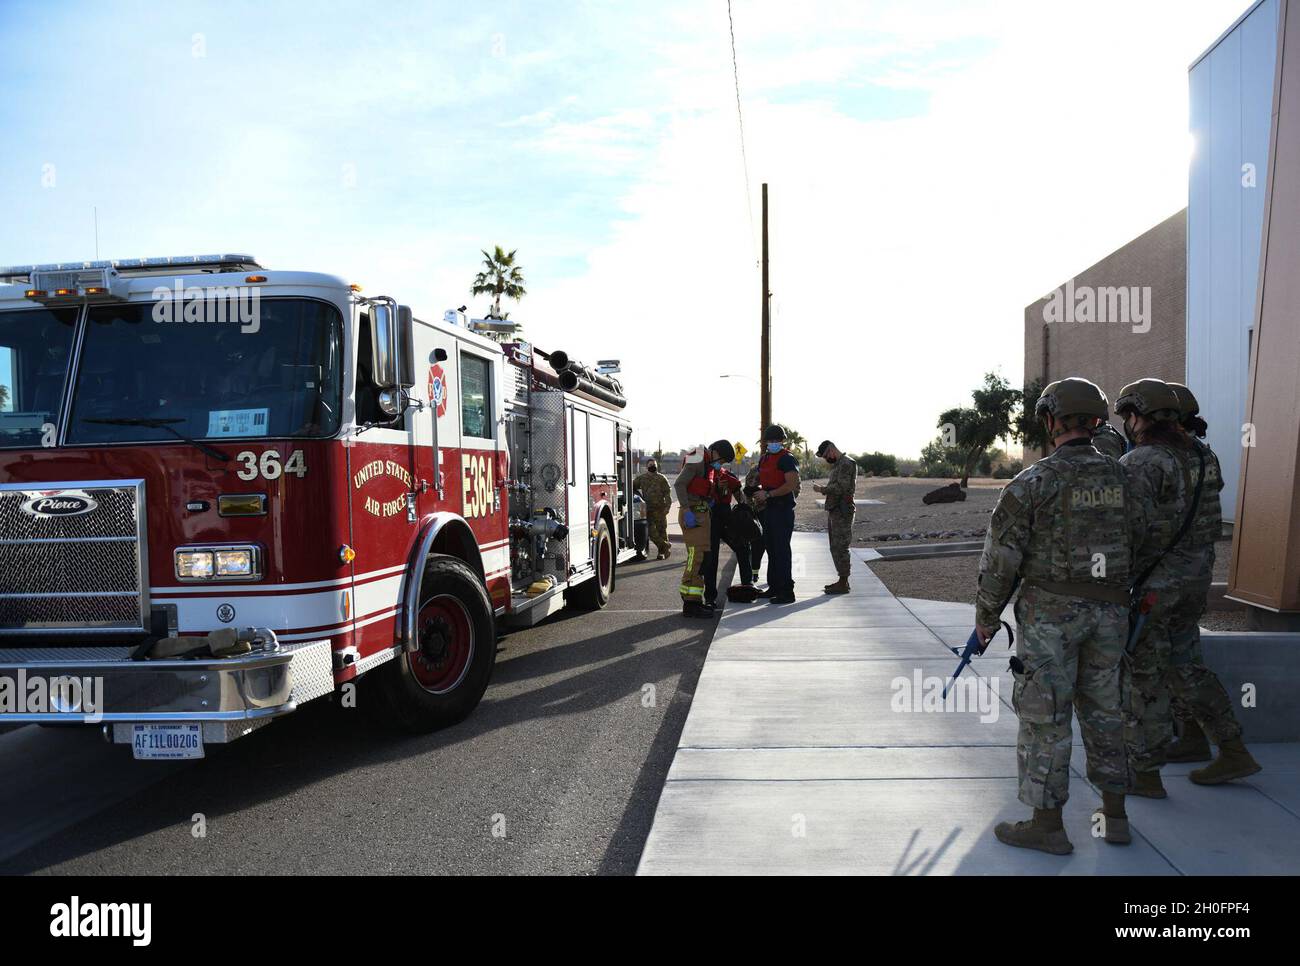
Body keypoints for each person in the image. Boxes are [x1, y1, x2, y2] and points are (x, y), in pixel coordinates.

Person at [977, 378, 1144, 854]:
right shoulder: (1125, 478)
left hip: (1050, 618)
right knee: (1107, 711)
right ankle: (1115, 816)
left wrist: (987, 617)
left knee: (1045, 717)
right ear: (1096, 421)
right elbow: (1145, 541)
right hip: (1111, 614)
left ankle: (1047, 825)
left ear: (1050, 421)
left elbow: (1000, 560)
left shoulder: (1032, 482)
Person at [1148, 382, 1262, 785]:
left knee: (1162, 666)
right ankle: (1194, 738)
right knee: (1183, 657)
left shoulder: (1147, 460)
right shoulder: (1204, 454)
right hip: (1196, 573)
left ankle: (1230, 750)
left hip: (1159, 579)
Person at [674, 439, 736, 619]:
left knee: (703, 558)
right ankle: (691, 604)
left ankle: (693, 598)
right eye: (721, 460)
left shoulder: (708, 465)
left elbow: (701, 488)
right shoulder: (697, 460)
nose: (720, 464)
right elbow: (679, 484)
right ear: (715, 452)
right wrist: (686, 509)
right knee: (697, 557)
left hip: (701, 513)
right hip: (692, 514)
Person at [752, 425, 800, 605]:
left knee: (781, 551)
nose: (773, 444)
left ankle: (787, 591)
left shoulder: (787, 459)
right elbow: (763, 480)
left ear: (782, 441)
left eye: (776, 441)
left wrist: (769, 494)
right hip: (768, 510)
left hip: (782, 510)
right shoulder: (764, 459)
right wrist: (758, 492)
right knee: (771, 549)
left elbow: (791, 484)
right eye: (770, 441)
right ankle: (774, 587)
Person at [701, 450, 756, 606]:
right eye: (722, 459)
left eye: (724, 461)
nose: (721, 463)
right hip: (711, 518)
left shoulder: (727, 476)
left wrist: (745, 511)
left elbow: (740, 495)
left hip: (725, 517)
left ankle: (747, 585)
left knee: (743, 547)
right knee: (711, 559)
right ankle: (710, 598)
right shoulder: (703, 475)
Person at [813, 440, 857, 594]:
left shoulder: (846, 463)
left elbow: (841, 487)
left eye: (826, 455)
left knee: (841, 546)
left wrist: (822, 489)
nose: (826, 459)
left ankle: (844, 582)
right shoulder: (838, 464)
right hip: (835, 509)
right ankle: (841, 580)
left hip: (842, 510)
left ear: (831, 450)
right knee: (835, 546)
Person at [634, 459, 673, 560]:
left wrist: (668, 507)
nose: (653, 466)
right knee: (651, 532)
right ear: (647, 466)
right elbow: (632, 487)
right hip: (648, 510)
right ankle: (665, 545)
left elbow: (667, 494)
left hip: (660, 509)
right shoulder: (642, 478)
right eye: (651, 465)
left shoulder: (662, 478)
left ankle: (662, 552)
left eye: (654, 465)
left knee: (662, 531)